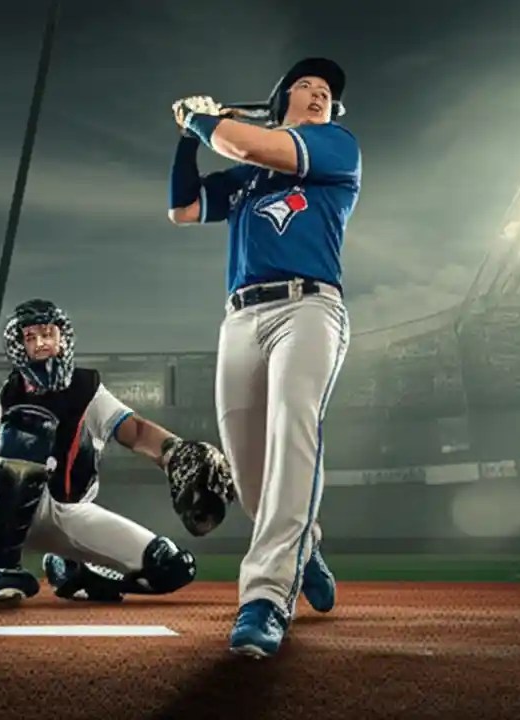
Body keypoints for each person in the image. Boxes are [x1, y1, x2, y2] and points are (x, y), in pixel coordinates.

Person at [167, 57, 360, 658]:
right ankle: (306, 545)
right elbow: (184, 208)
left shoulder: (334, 145)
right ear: (281, 103)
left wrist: (204, 121)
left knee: (292, 425)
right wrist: (186, 138)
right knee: (249, 466)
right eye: (305, 87)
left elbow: (247, 144)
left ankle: (265, 597)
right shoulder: (248, 177)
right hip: (241, 317)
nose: (318, 94)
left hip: (308, 308)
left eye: (325, 91)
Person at [0, 299, 235, 604]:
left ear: (63, 338)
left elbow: (133, 430)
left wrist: (174, 452)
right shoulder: (9, 394)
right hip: (20, 512)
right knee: (28, 427)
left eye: (48, 334)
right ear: (21, 347)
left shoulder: (86, 388)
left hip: (72, 511)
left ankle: (76, 571)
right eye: (31, 337)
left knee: (173, 567)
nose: (42, 343)